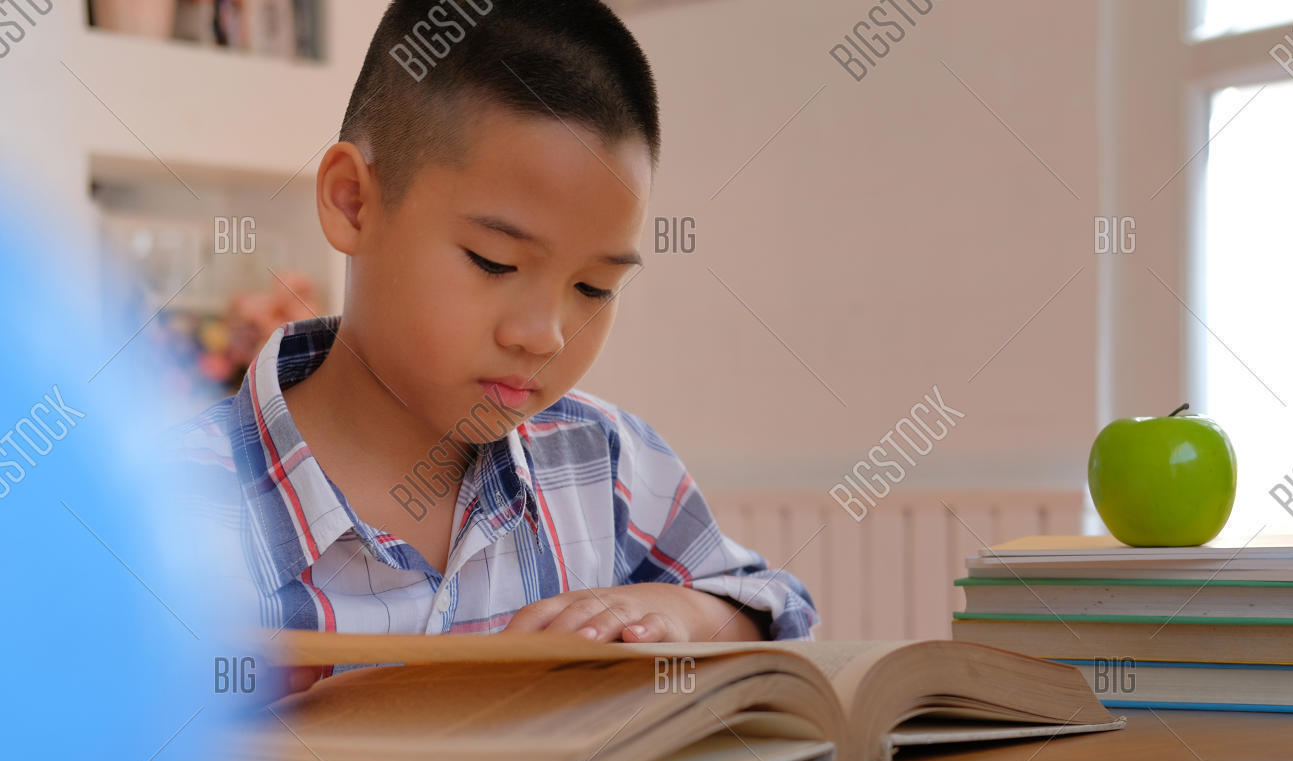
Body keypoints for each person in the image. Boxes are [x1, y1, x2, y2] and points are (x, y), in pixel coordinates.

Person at [172, 0, 817, 682]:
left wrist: (676, 613)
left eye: (594, 287)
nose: (545, 335)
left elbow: (772, 609)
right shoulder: (165, 510)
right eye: (494, 263)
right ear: (353, 202)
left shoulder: (606, 462)